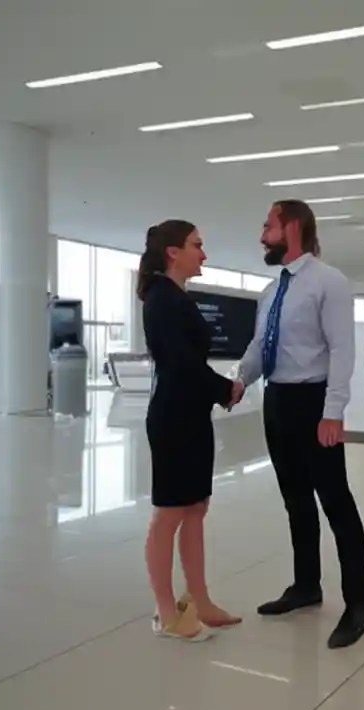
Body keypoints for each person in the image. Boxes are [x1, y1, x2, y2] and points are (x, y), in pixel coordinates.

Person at [230, 199, 364, 649]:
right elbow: (260, 344)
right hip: (278, 400)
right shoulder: (271, 291)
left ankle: (358, 603)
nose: (261, 236)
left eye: (268, 225)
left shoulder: (330, 283)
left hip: (314, 402)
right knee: (295, 500)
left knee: (336, 502)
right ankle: (306, 585)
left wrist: (333, 411)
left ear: (292, 227)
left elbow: (342, 350)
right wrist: (240, 380)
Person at [137, 219, 243, 641]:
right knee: (170, 512)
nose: (204, 253)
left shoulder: (176, 297)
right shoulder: (162, 299)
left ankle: (199, 600)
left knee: (195, 507)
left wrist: (218, 391)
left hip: (191, 414)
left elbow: (188, 363)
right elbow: (182, 364)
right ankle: (166, 612)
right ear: (172, 252)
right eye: (197, 245)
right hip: (173, 417)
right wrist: (224, 388)